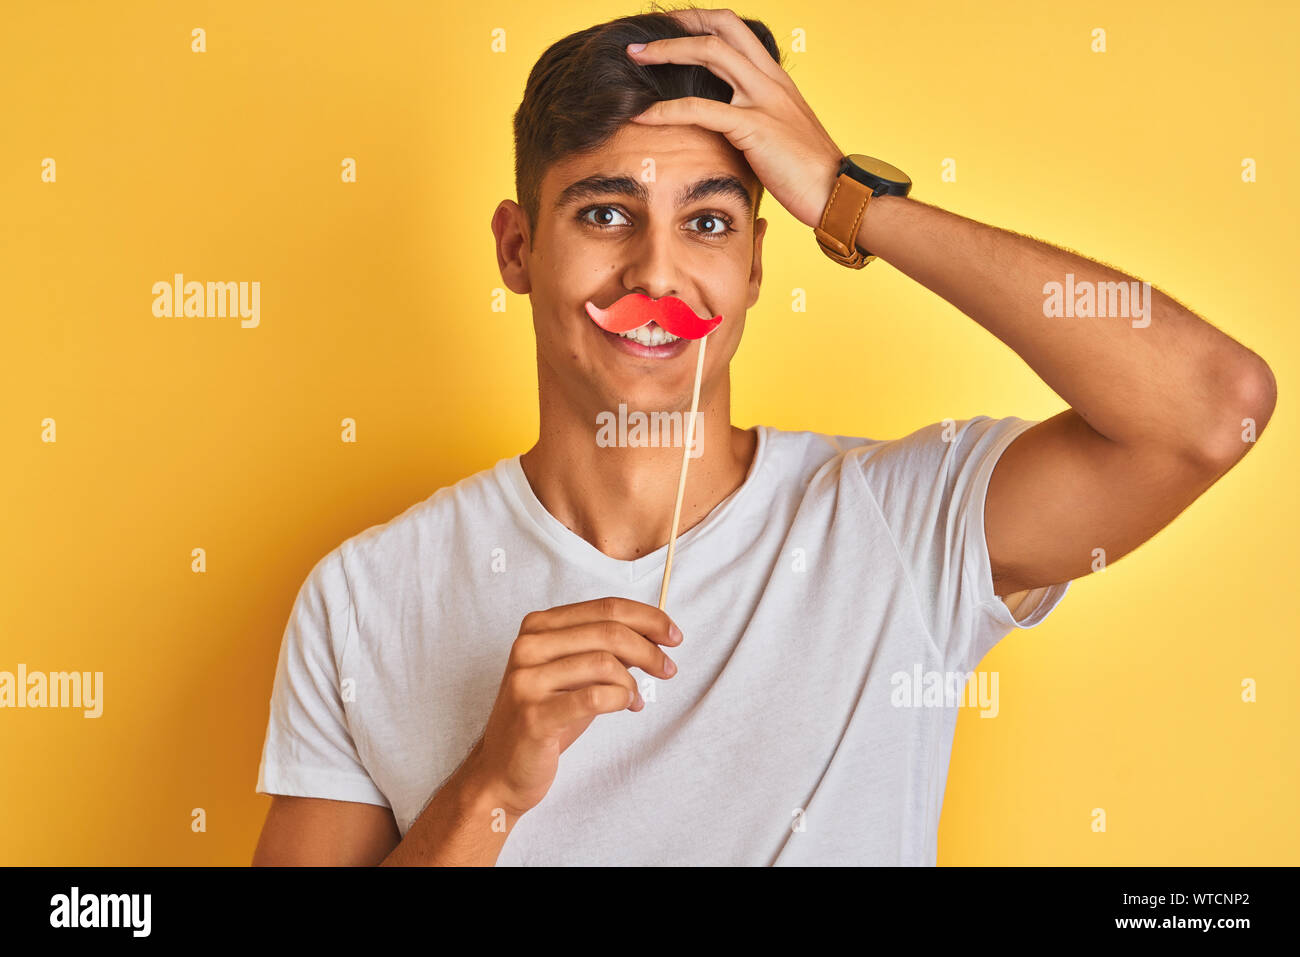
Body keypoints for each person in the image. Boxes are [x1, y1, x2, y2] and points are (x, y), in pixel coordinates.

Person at [251, 5, 1275, 866]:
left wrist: (852, 200)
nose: (656, 278)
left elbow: (1209, 407)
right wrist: (487, 792)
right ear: (518, 250)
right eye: (605, 214)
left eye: (707, 222)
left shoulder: (901, 525)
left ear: (753, 265)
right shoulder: (365, 597)